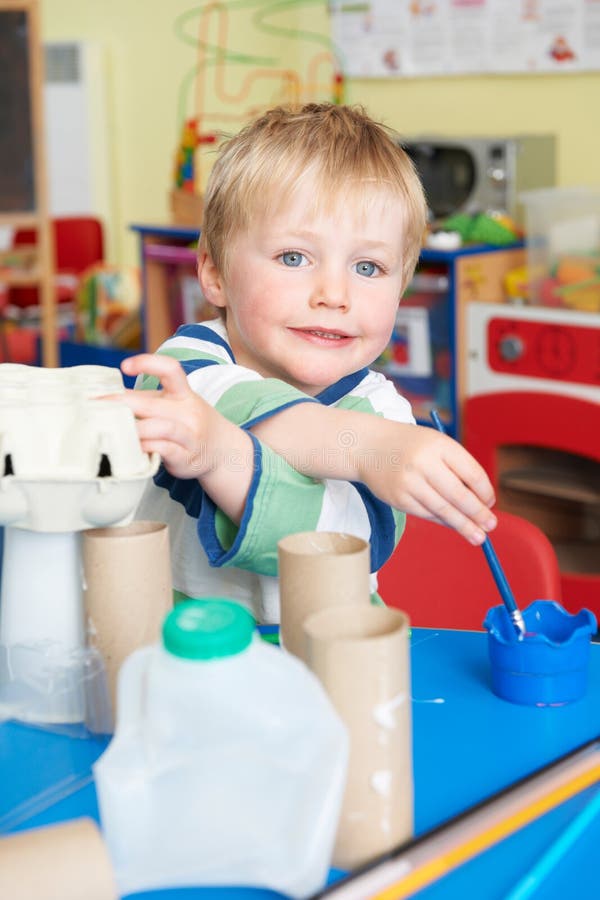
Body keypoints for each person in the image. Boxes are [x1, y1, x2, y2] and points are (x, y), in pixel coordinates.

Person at [118, 102, 496, 623]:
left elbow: (331, 548)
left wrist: (220, 452)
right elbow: (222, 409)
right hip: (166, 645)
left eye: (369, 267)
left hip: (322, 649)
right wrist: (367, 450)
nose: (334, 295)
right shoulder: (186, 365)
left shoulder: (385, 415)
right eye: (294, 258)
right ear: (215, 274)